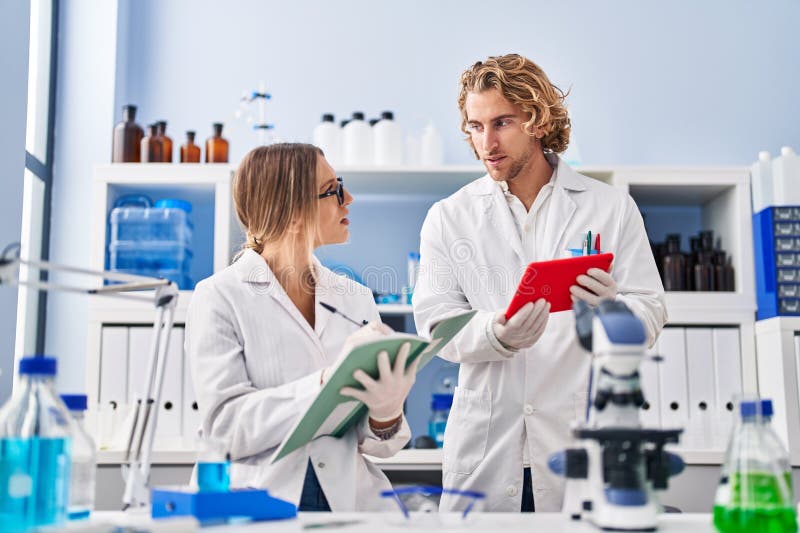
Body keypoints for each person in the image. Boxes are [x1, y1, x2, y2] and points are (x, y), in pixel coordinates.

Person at [412, 54, 667, 512]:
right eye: (475, 126)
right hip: (486, 453)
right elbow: (434, 326)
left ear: (538, 120)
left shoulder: (609, 207)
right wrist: (496, 333)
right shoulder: (448, 217)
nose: (486, 143)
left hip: (576, 444)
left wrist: (612, 311)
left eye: (502, 123)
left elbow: (650, 311)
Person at [185, 143, 417, 511]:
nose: (349, 199)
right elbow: (225, 429)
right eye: (332, 190)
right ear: (292, 212)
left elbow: (377, 445)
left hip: (349, 502)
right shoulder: (219, 296)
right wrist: (325, 383)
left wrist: (385, 413)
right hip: (259, 503)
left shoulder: (355, 297)